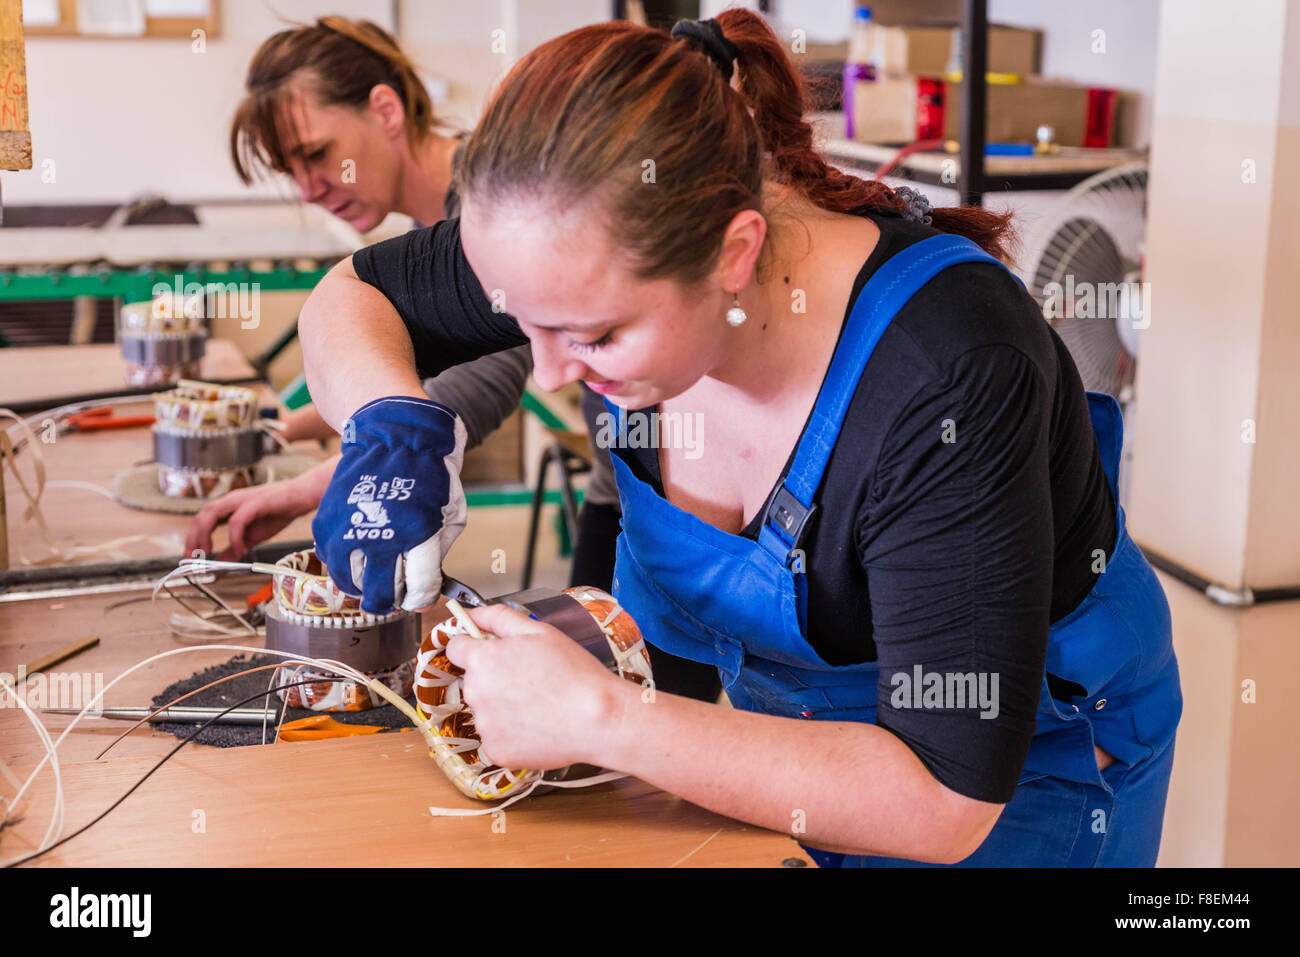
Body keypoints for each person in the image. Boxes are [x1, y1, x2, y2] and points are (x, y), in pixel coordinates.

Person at [296, 12, 1181, 866]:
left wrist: (604, 720)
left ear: (734, 251)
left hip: (1018, 791)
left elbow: (944, 800)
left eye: (595, 336)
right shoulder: (578, 246)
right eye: (519, 321)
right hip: (776, 769)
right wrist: (389, 424)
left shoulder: (947, 374)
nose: (553, 374)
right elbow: (352, 293)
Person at [190, 16, 721, 697]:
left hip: (678, 506)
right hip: (621, 486)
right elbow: (382, 353)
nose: (310, 186)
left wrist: (324, 478)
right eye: (290, 171)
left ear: (385, 109)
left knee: (647, 736)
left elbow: (484, 376)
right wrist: (290, 426)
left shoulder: (510, 197)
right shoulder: (432, 227)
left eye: (317, 154)